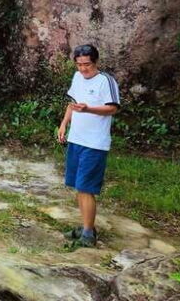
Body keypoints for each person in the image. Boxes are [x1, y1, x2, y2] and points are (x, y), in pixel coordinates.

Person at [57, 44, 120, 249]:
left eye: (87, 64)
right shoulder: (77, 78)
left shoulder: (106, 81)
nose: (83, 69)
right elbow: (72, 103)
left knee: (86, 187)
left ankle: (88, 233)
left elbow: (112, 108)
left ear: (95, 62)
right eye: (79, 65)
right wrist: (64, 124)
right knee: (78, 186)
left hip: (94, 143)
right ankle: (86, 226)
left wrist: (88, 108)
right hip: (76, 139)